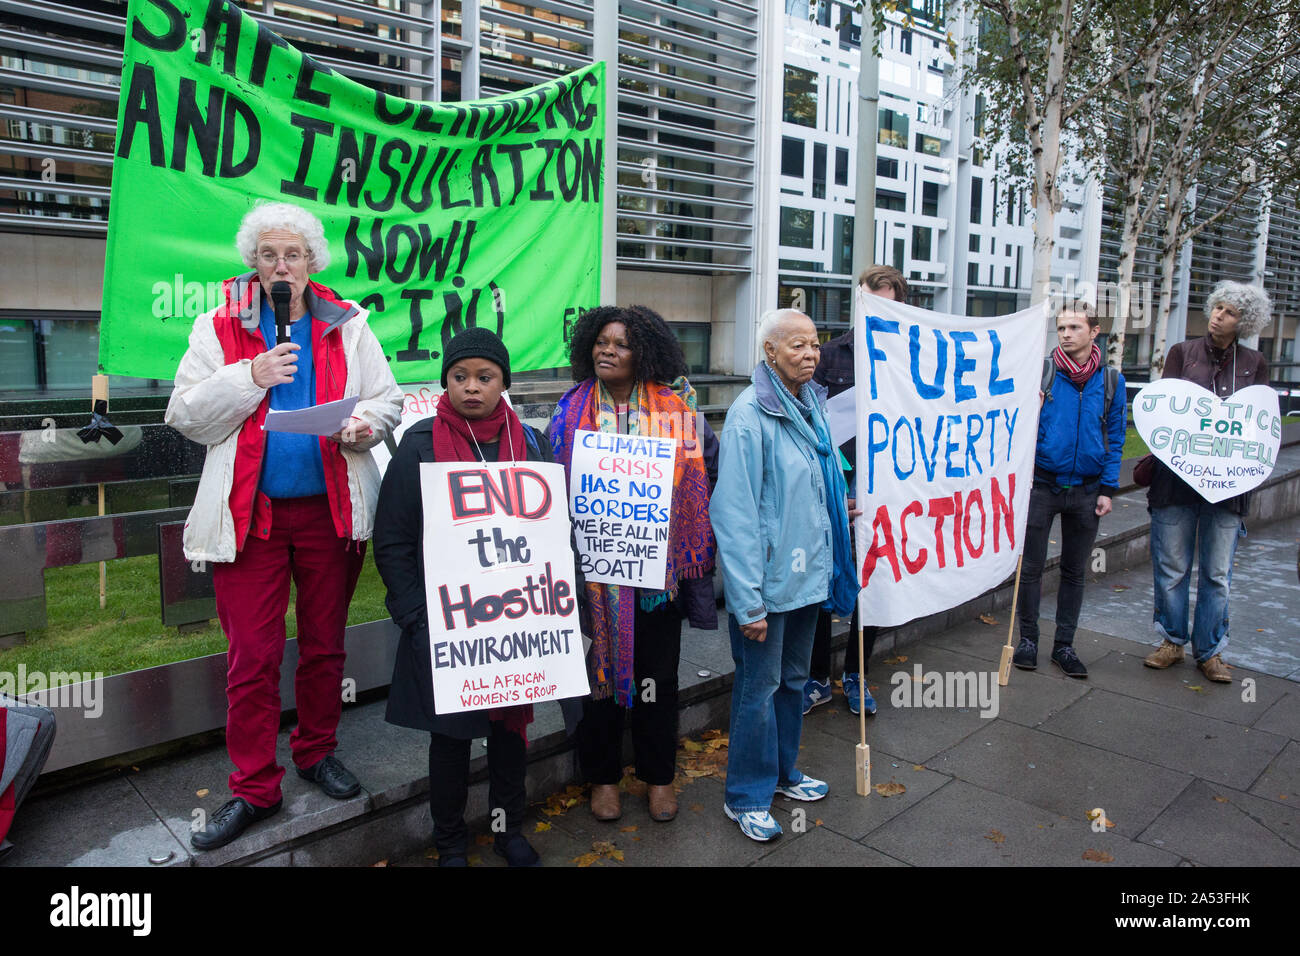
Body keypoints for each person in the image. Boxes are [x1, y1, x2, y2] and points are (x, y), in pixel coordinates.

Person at [168, 201, 402, 851]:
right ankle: (253, 787)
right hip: (253, 520)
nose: (281, 266)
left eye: (292, 254)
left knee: (326, 645)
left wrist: (364, 425)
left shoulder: (348, 323)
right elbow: (187, 415)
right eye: (269, 255)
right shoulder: (219, 325)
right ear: (253, 262)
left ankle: (315, 751)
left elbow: (387, 399)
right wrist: (251, 375)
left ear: (312, 261)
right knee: (253, 657)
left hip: (330, 514)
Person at [374, 328, 553, 866]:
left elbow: (549, 533)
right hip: (447, 626)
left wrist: (552, 610)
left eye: (484, 377)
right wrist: (416, 617)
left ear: (503, 383)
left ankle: (508, 831)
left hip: (513, 622)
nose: (471, 387)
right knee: (449, 742)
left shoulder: (532, 444)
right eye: (459, 377)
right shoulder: (420, 444)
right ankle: (449, 841)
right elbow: (394, 539)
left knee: (509, 737)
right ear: (444, 381)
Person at [549, 305, 717, 824]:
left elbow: (705, 468)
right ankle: (602, 779)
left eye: (620, 344)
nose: (607, 350)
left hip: (655, 575)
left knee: (657, 679)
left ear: (642, 352)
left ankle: (657, 777)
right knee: (597, 680)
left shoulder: (676, 407)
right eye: (601, 341)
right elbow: (551, 479)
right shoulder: (569, 407)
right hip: (593, 575)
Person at [711, 309, 857, 842]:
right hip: (768, 587)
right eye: (796, 345)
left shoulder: (811, 403)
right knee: (759, 687)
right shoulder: (751, 414)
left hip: (807, 579)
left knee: (794, 682)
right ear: (770, 352)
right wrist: (747, 602)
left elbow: (813, 480)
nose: (810, 354)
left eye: (815, 344)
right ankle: (745, 796)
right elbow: (736, 513)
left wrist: (839, 504)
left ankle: (782, 773)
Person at [1143, 281, 1271, 682]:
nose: (1218, 315)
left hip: (1228, 488)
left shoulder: (1255, 363)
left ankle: (1211, 651)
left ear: (1244, 321)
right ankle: (1171, 642)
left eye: (1230, 312)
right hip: (1176, 484)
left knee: (1217, 573)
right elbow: (1162, 412)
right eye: (1217, 307)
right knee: (1172, 567)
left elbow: (1259, 427)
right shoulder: (1182, 353)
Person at [805, 264, 909, 716]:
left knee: (873, 580)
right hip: (837, 481)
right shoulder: (828, 356)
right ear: (859, 300)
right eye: (871, 302)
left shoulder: (910, 358)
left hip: (886, 481)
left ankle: (856, 674)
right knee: (823, 577)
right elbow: (809, 420)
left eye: (888, 304)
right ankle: (816, 677)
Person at [1012, 302, 1126, 678]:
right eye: (1061, 327)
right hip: (1042, 485)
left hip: (1087, 490)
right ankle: (1028, 640)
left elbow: (1116, 435)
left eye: (1075, 327)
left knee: (1075, 571)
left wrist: (1108, 488)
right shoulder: (1041, 372)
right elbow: (1017, 426)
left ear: (1094, 332)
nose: (1065, 334)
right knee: (1030, 569)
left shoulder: (1111, 380)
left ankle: (1065, 645)